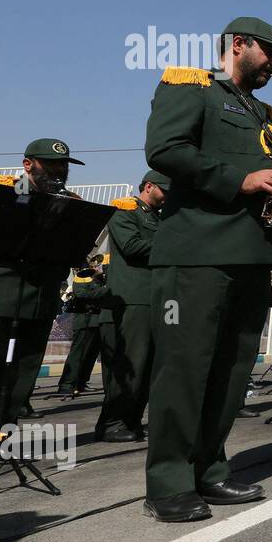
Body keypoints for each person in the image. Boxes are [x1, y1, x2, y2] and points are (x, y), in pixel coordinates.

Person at [143, 17, 272, 522]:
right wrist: (241, 179)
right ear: (237, 44)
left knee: (230, 374)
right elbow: (166, 150)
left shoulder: (264, 112)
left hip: (252, 256)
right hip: (197, 252)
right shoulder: (189, 83)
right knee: (184, 371)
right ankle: (169, 483)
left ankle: (211, 471)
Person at [0, 139, 86, 434]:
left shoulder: (69, 203)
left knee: (21, 374)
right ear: (28, 165)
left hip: (40, 299)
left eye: (63, 165)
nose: (59, 171)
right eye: (51, 165)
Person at [94, 171, 168, 441]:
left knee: (147, 366)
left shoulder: (160, 216)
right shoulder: (124, 209)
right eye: (165, 190)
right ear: (149, 186)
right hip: (133, 297)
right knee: (131, 363)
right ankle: (113, 422)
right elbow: (132, 245)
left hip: (155, 297)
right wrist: (178, 244)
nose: (168, 196)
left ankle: (131, 420)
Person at [58, 260, 107, 397]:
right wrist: (103, 291)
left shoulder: (99, 278)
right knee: (78, 353)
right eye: (96, 265)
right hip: (84, 320)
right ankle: (67, 384)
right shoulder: (81, 276)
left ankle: (81, 382)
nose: (97, 267)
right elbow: (82, 294)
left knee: (91, 355)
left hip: (97, 320)